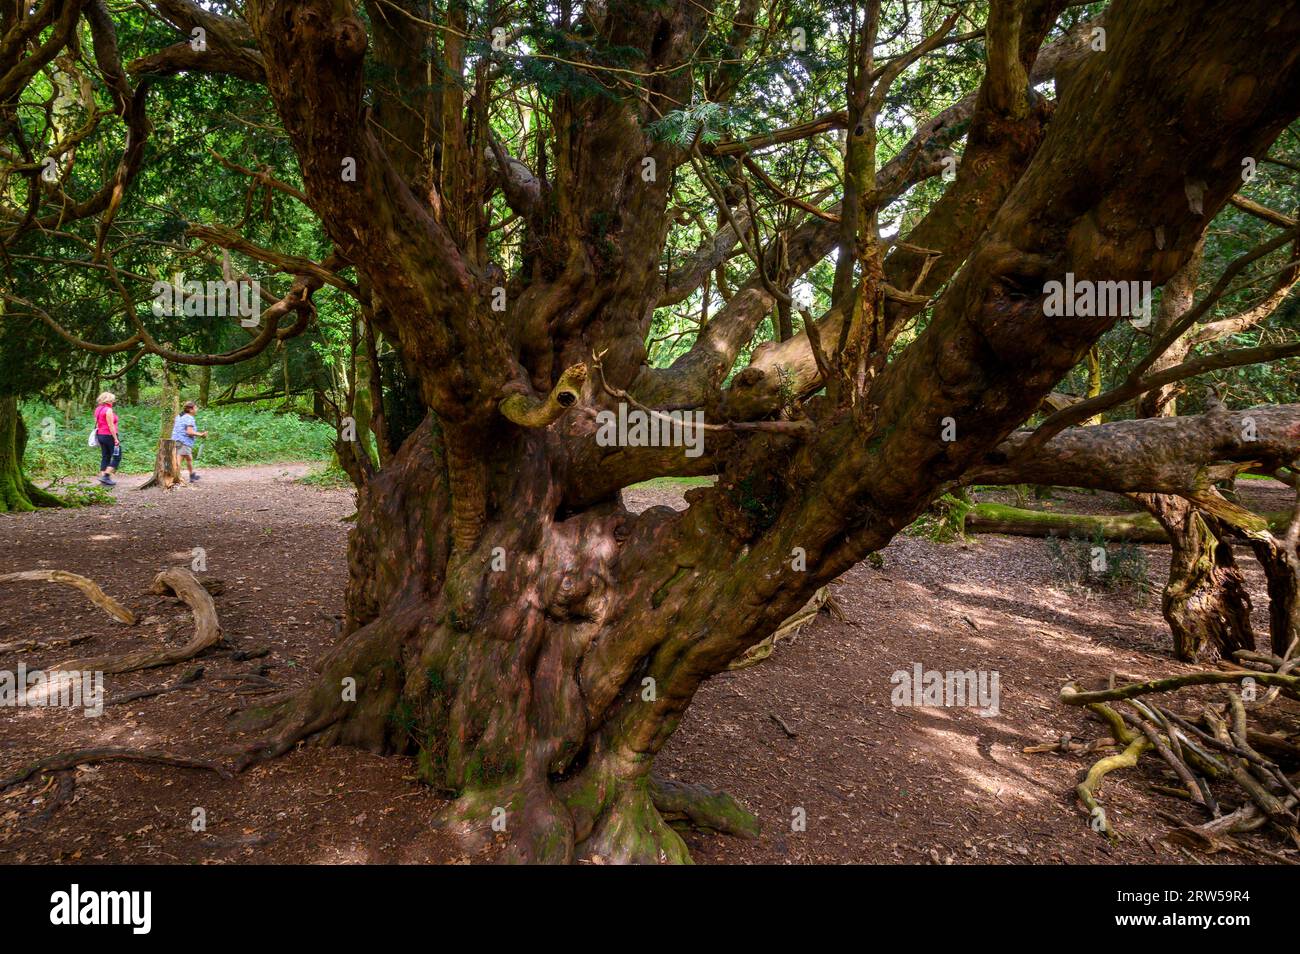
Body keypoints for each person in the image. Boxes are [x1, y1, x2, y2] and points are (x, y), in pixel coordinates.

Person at [170, 400, 208, 482]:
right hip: (184, 441)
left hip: (176, 440)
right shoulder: (189, 418)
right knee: (178, 460)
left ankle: (192, 475)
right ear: (191, 410)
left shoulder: (179, 416)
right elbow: (189, 432)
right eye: (195, 408)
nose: (197, 409)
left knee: (189, 458)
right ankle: (174, 478)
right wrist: (201, 434)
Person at [94, 392, 120, 487]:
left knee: (105, 456)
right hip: (109, 435)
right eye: (112, 400)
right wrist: (116, 439)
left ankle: (103, 481)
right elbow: (110, 425)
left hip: (100, 435)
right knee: (117, 456)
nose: (113, 401)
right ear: (108, 400)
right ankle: (106, 476)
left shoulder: (97, 409)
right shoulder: (108, 410)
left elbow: (97, 424)